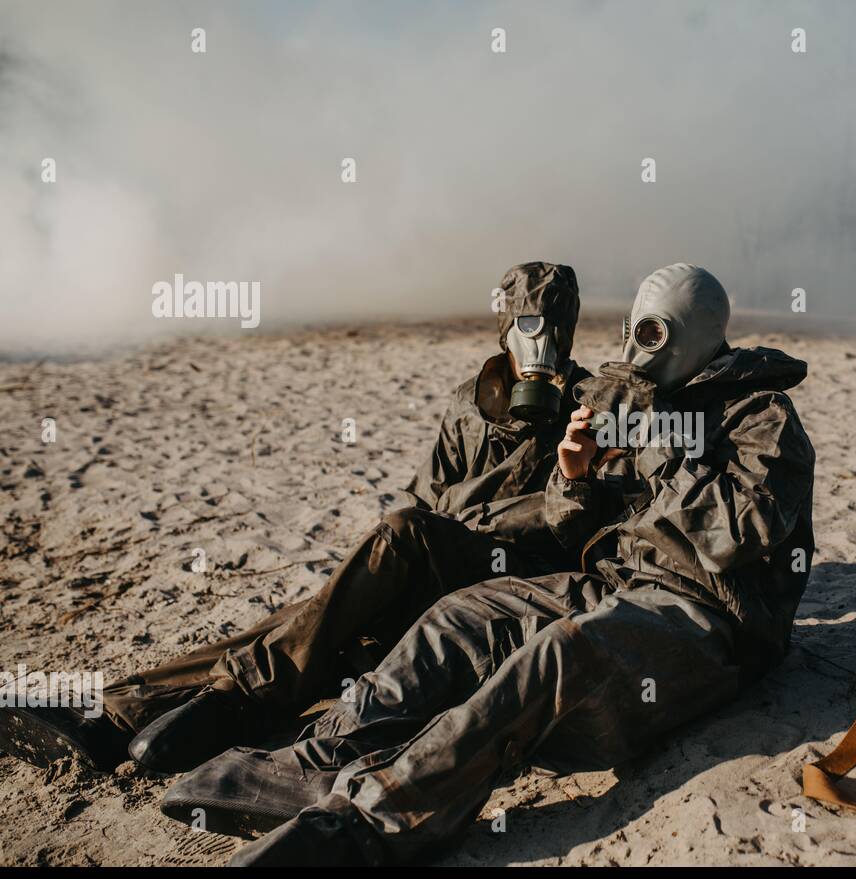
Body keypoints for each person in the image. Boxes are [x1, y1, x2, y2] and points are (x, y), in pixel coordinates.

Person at [174, 263, 816, 864]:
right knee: (459, 616)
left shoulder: (760, 417)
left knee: (561, 653)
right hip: (615, 581)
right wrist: (575, 476)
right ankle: (322, 757)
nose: (638, 346)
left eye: (653, 331)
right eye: (633, 328)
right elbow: (574, 531)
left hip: (710, 619)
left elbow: (734, 534)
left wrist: (650, 439)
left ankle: (379, 818)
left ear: (699, 334)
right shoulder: (651, 404)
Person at [0, 262, 591, 775]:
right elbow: (426, 496)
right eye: (525, 325)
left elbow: (572, 525)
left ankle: (242, 698)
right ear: (504, 326)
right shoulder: (470, 402)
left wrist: (569, 464)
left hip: (506, 580)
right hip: (430, 563)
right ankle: (111, 714)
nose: (536, 342)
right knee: (314, 617)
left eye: (550, 328)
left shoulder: (589, 408)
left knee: (391, 543)